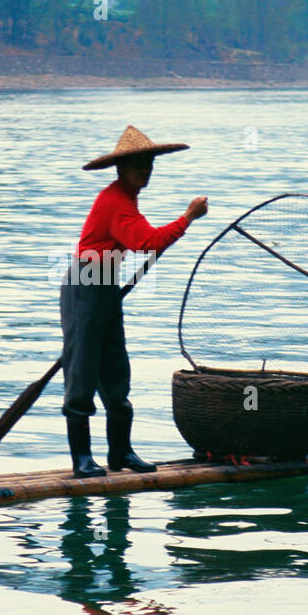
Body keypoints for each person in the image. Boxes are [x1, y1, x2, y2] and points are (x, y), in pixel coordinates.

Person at [60, 125, 209, 478]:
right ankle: (82, 460)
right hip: (86, 282)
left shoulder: (126, 199)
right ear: (121, 169)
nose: (146, 171)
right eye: (139, 165)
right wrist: (187, 218)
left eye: (149, 165)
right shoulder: (114, 201)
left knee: (115, 368)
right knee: (82, 371)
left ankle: (120, 453)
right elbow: (149, 243)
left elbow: (140, 242)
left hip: (105, 282)